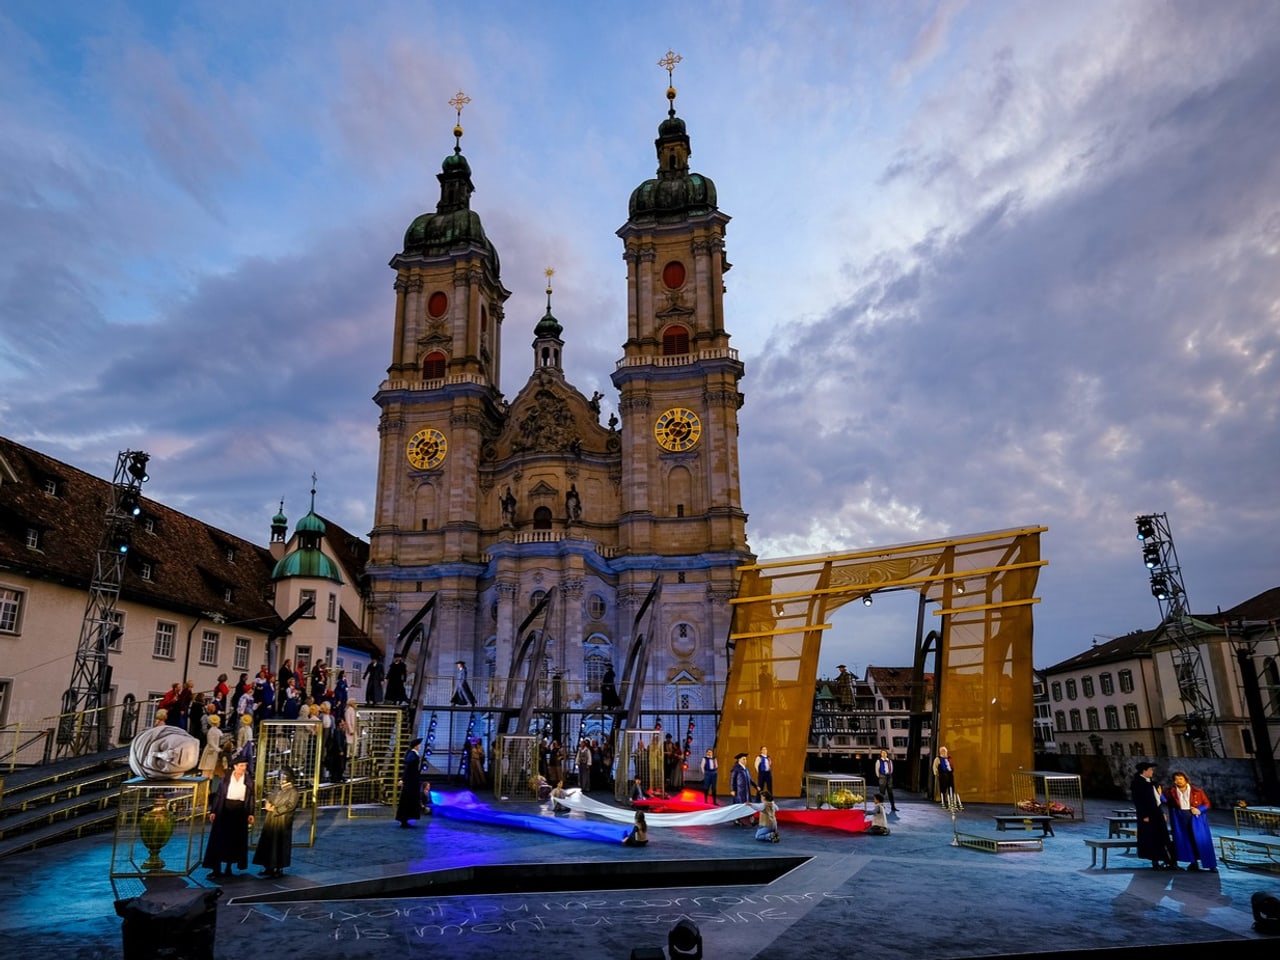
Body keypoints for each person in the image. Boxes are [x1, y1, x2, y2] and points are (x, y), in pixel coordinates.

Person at [202, 751, 255, 879]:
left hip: (239, 811)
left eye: (245, 766)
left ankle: (229, 868)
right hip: (225, 810)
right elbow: (219, 795)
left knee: (235, 840)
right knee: (219, 839)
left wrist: (250, 813)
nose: (244, 768)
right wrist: (214, 810)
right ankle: (216, 869)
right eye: (242, 766)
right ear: (235, 766)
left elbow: (251, 797)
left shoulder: (247, 780)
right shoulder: (226, 778)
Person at [1164, 770, 1217, 871]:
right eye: (1176, 779)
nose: (1179, 781)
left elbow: (1207, 804)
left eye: (1180, 779)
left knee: (1201, 841)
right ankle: (1193, 863)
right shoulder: (1171, 792)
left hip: (1195, 818)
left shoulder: (1197, 791)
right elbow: (1164, 800)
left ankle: (1211, 865)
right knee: (1187, 841)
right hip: (1180, 818)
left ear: (1185, 779)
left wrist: (1199, 810)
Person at [253, 765, 299, 879]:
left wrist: (275, 809)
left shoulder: (293, 791)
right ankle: (268, 866)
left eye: (284, 775)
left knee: (279, 844)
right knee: (268, 843)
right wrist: (267, 803)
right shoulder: (278, 789)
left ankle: (278, 867)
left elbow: (290, 806)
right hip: (271, 819)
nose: (282, 778)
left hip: (282, 821)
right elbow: (270, 798)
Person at [1131, 761, 1175, 870]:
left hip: (1157, 812)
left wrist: (1162, 812)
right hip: (1148, 814)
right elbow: (1138, 801)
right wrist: (1144, 815)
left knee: (1163, 836)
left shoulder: (1152, 782)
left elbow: (1157, 799)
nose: (1152, 771)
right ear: (1144, 771)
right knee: (1152, 837)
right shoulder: (1137, 783)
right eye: (1150, 769)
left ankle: (1168, 860)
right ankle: (1155, 861)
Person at [396, 737, 424, 827]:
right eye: (419, 745)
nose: (420, 746)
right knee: (407, 799)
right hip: (410, 780)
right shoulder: (412, 754)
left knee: (409, 799)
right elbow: (408, 768)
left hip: (412, 780)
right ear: (415, 746)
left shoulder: (413, 754)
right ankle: (404, 819)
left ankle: (406, 818)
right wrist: (403, 779)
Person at [730, 752, 756, 825]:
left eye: (746, 759)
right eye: (743, 759)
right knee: (738, 805)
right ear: (739, 760)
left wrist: (755, 785)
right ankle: (736, 819)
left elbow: (749, 779)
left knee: (749, 804)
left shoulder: (746, 769)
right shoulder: (736, 768)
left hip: (746, 791)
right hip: (739, 791)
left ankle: (751, 819)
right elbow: (732, 779)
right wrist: (732, 789)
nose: (745, 760)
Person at [198, 714, 224, 780]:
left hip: (214, 752)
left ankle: (210, 780)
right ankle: (204, 780)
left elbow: (221, 736)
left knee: (212, 767)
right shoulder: (211, 731)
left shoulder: (217, 731)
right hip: (210, 751)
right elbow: (210, 742)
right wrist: (217, 749)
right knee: (207, 767)